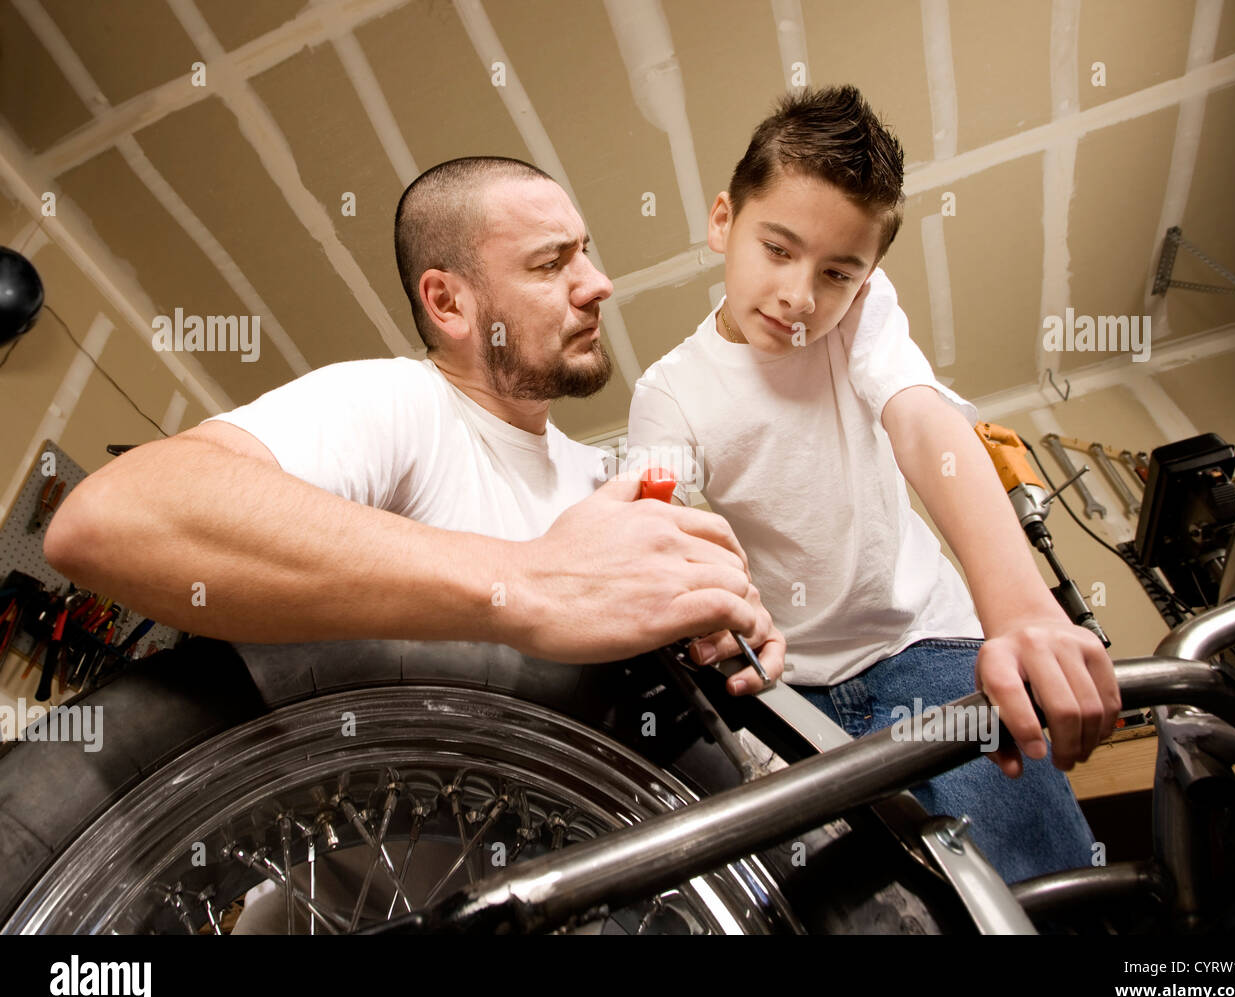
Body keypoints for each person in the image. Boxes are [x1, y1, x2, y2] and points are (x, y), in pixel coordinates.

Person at [43, 156, 785, 688]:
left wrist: (719, 631)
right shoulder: (404, 405)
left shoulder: (604, 484)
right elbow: (109, 518)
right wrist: (525, 582)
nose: (598, 284)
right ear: (449, 304)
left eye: (584, 252)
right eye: (551, 262)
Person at [625, 86, 1120, 883]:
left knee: (1038, 884)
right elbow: (659, 519)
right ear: (723, 221)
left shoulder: (861, 314)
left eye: (837, 273)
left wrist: (1023, 612)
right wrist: (700, 604)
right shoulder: (668, 392)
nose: (800, 295)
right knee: (869, 904)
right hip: (791, 689)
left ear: (867, 277)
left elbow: (923, 422)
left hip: (929, 647)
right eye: (777, 249)